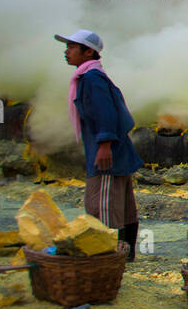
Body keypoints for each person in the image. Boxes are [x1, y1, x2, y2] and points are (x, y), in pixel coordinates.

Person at [56, 30, 143, 260]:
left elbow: (106, 113)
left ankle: (104, 258)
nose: (66, 52)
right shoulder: (90, 77)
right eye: (67, 47)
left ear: (89, 51)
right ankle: (126, 255)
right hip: (113, 151)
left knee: (100, 207)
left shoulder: (92, 79)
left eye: (72, 47)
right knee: (123, 206)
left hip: (107, 154)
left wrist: (104, 145)